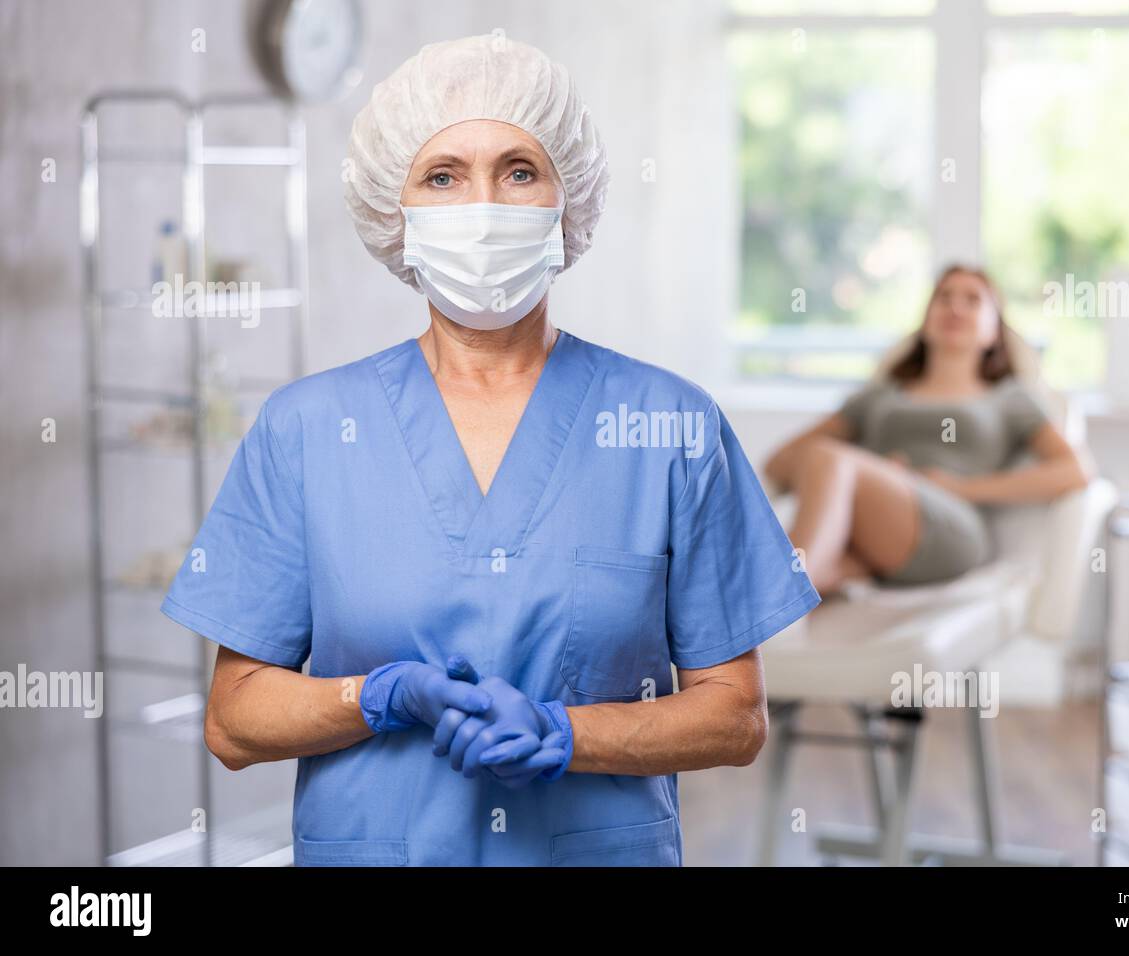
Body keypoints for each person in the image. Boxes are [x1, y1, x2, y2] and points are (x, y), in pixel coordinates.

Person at [160, 34, 819, 867]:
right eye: (442, 175)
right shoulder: (306, 430)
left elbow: (735, 716)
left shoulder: (669, 425)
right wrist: (381, 696)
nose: (483, 205)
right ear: (393, 212)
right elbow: (233, 720)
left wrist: (562, 731)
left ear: (565, 198)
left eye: (518, 169)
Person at [765, 265, 1093, 596]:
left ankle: (783, 598)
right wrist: (873, 473)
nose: (955, 308)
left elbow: (1075, 471)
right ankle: (793, 599)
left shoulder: (1009, 398)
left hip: (951, 527)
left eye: (972, 300)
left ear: (994, 331)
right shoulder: (881, 395)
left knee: (829, 459)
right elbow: (780, 462)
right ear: (925, 320)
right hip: (873, 530)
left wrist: (965, 488)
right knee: (824, 464)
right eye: (943, 297)